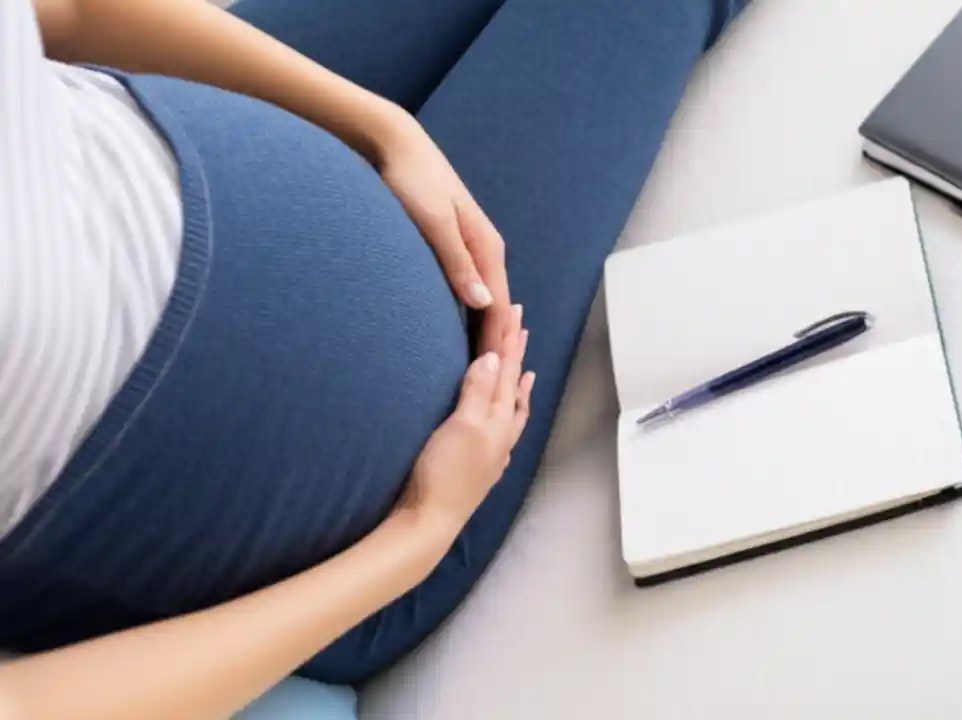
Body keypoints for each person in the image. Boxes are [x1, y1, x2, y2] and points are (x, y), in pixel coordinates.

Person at [0, 0, 748, 716]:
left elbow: (63, 10)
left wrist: (384, 129)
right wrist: (419, 532)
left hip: (162, 120)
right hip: (330, 486)